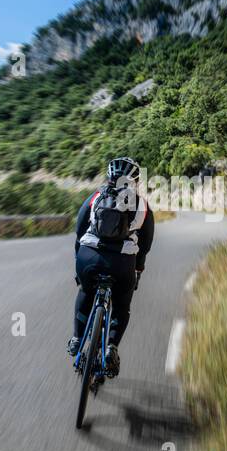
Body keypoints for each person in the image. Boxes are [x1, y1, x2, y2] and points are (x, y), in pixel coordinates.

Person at [67, 157, 154, 377]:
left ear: (109, 176)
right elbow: (145, 246)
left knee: (86, 291)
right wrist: (139, 270)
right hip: (122, 263)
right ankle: (110, 348)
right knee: (121, 306)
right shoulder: (142, 205)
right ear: (135, 181)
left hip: (89, 257)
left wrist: (80, 260)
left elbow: (79, 230)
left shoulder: (96, 196)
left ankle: (77, 339)